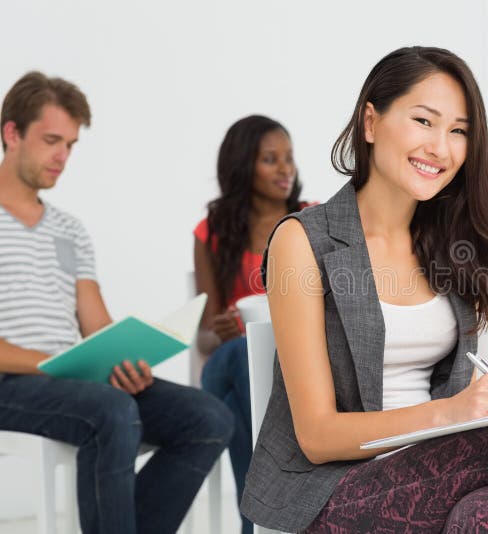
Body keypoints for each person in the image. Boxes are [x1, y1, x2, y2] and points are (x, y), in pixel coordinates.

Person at [240, 46, 488, 533]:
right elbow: (317, 435)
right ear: (371, 122)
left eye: (459, 131)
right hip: (333, 490)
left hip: (439, 473)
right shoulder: (304, 240)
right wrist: (449, 413)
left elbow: (473, 383)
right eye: (424, 121)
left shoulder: (457, 243)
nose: (441, 148)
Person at [0, 71, 234, 534]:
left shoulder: (70, 230)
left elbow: (97, 327)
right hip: (12, 381)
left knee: (208, 417)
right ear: (12, 133)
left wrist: (123, 359)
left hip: (70, 379)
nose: (62, 156)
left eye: (70, 144)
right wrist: (60, 363)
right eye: (51, 140)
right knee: (111, 410)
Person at [194, 114, 310, 534]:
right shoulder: (211, 233)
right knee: (245, 352)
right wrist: (222, 328)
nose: (285, 169)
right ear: (244, 165)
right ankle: (291, 502)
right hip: (233, 359)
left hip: (293, 365)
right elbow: (204, 336)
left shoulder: (310, 220)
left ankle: (259, 526)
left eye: (289, 158)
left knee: (233, 407)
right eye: (270, 159)